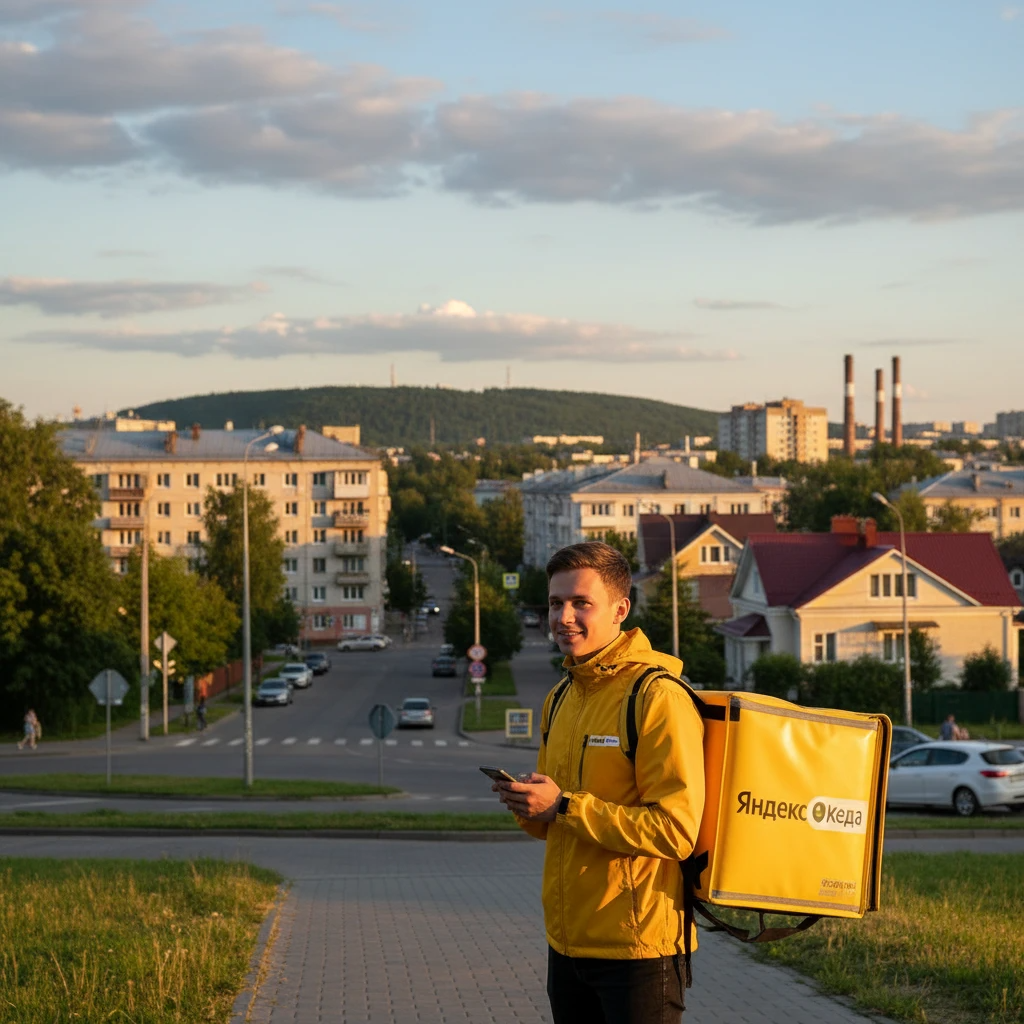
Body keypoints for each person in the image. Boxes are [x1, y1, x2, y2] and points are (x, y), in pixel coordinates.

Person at [494, 541, 705, 1024]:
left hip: (637, 948)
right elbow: (552, 823)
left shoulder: (656, 697)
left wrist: (565, 806)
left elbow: (675, 831)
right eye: (554, 603)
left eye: (580, 603)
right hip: (567, 943)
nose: (563, 617)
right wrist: (529, 805)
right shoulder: (561, 695)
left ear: (620, 610)